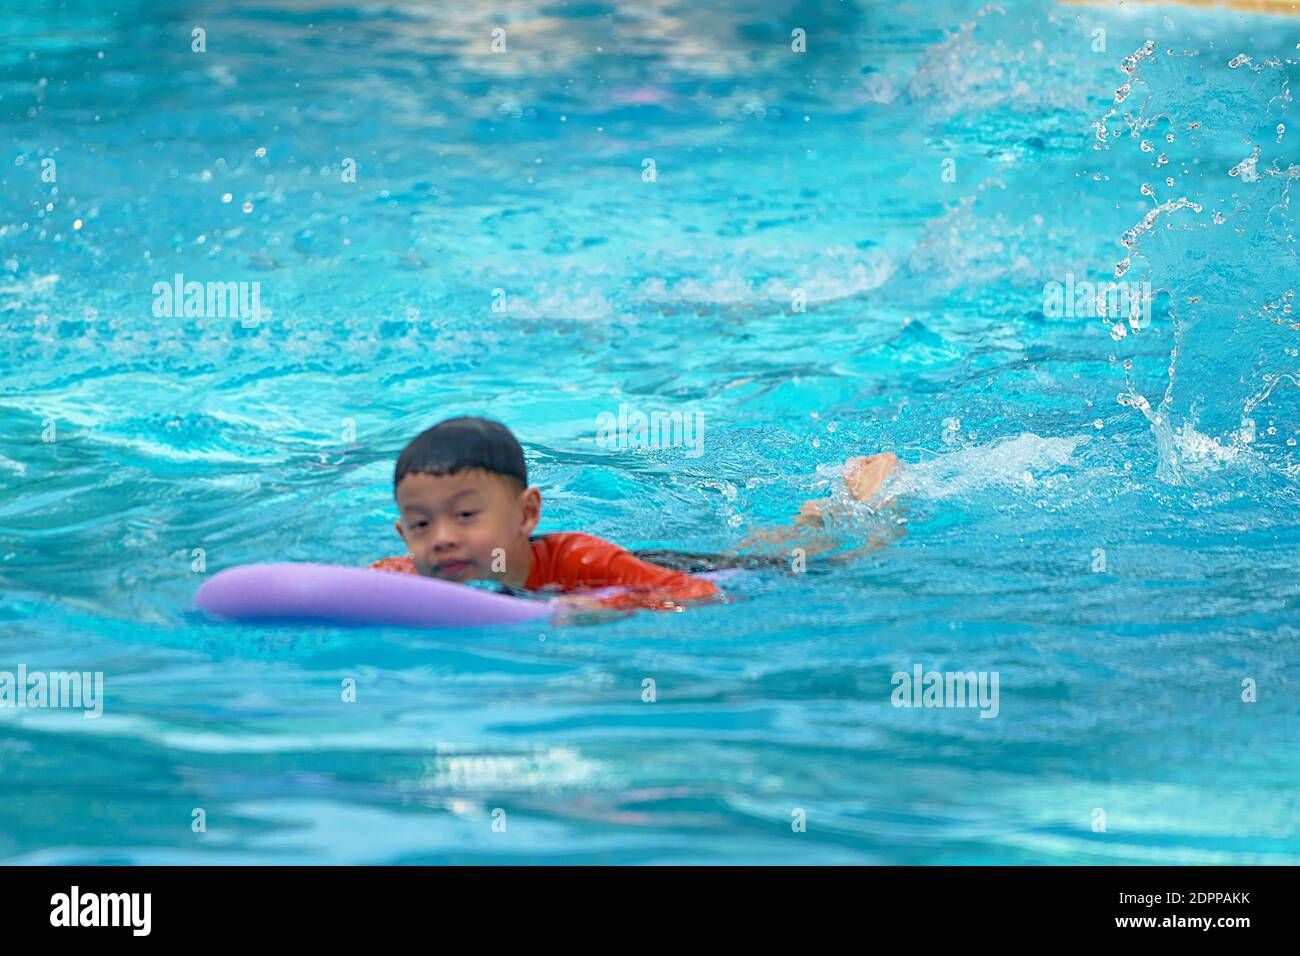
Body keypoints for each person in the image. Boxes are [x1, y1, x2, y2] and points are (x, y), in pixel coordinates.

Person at [371, 417, 899, 612]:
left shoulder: (581, 557)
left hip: (646, 572)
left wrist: (606, 605)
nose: (440, 539)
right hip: (624, 576)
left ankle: (855, 502)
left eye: (465, 515)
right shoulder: (406, 572)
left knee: (826, 561)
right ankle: (810, 518)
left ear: (526, 513)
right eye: (420, 525)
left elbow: (700, 594)